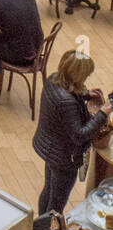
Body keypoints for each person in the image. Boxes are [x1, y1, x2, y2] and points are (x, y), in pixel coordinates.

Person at [33, 49, 111, 214]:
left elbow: (70, 91)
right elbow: (80, 135)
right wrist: (103, 112)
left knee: (48, 190)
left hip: (50, 149)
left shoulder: (53, 79)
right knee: (56, 205)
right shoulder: (66, 102)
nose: (86, 79)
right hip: (64, 157)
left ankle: (39, 228)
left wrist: (85, 94)